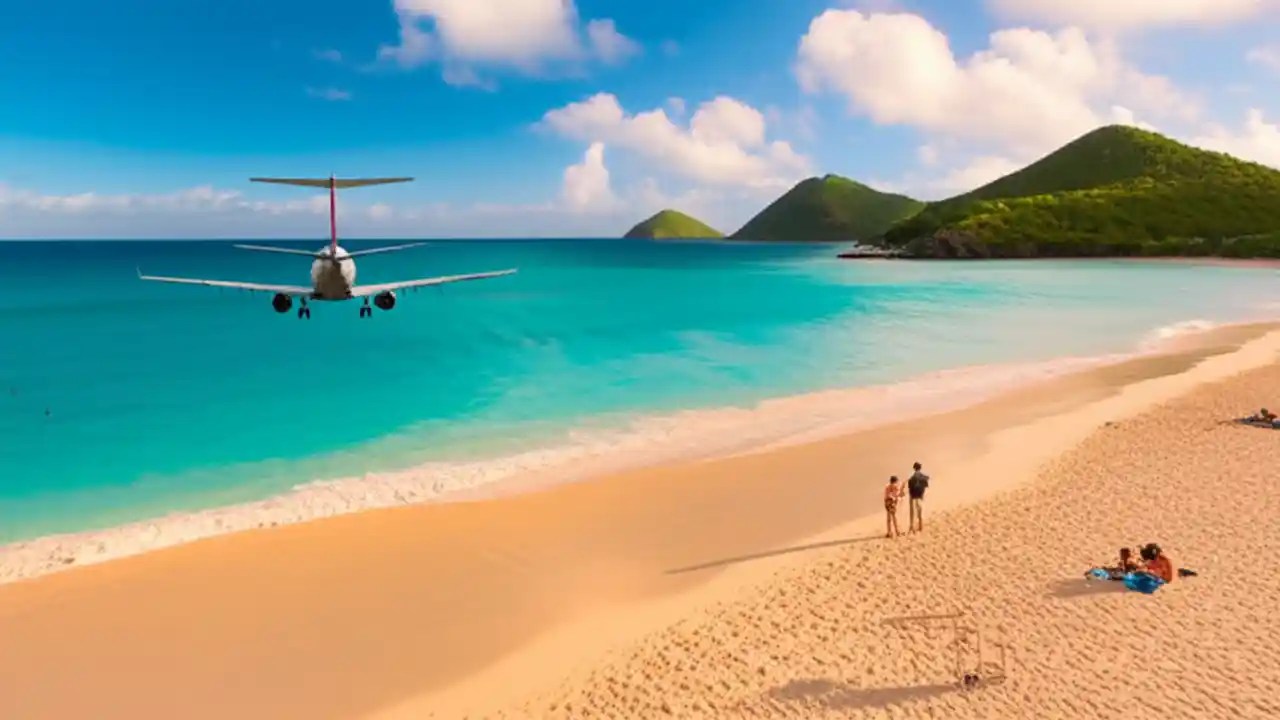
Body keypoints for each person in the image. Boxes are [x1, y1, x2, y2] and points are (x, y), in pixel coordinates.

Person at [906, 462, 930, 534]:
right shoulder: (923, 477)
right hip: (920, 495)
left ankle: (911, 526)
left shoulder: (912, 478)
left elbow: (909, 488)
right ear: (920, 468)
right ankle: (920, 526)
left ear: (914, 468)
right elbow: (926, 485)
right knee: (920, 511)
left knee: (912, 512)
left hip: (912, 496)